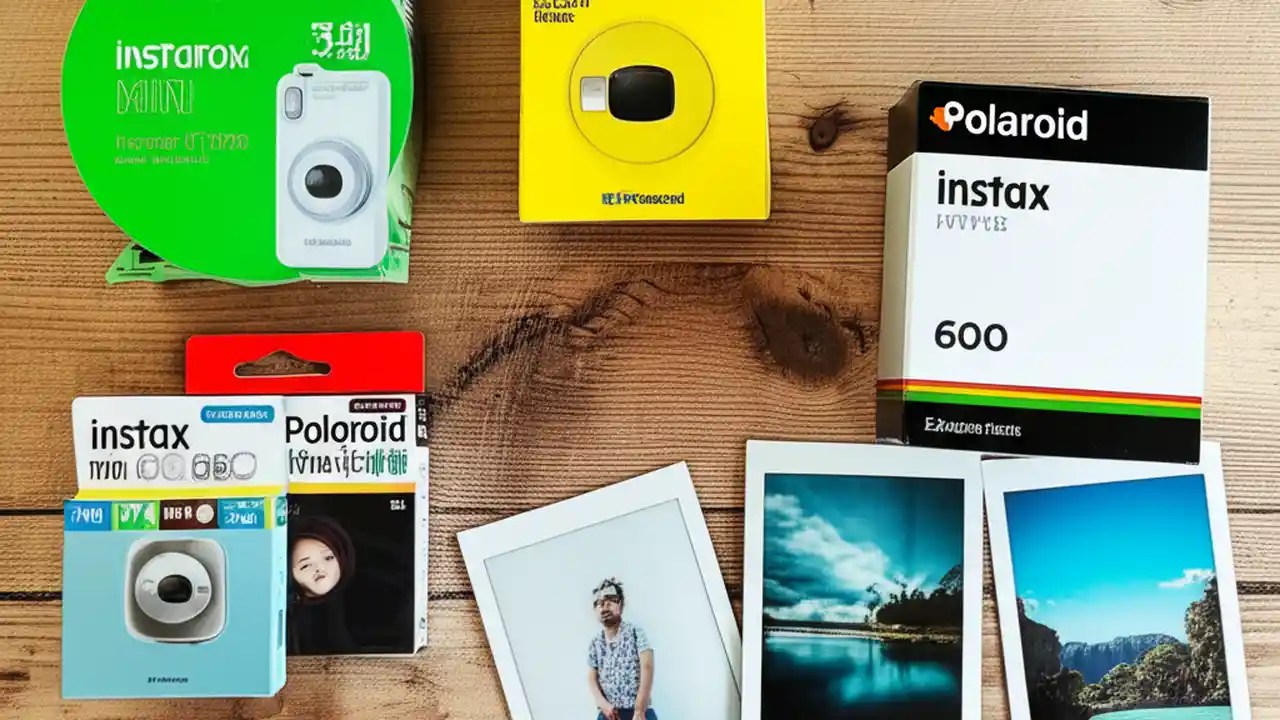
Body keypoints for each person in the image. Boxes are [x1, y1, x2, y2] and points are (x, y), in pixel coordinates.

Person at [587, 578, 656, 720]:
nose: (604, 605)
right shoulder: (595, 643)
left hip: (637, 710)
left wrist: (640, 708)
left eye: (610, 600)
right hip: (611, 713)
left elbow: (647, 666)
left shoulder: (635, 633)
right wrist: (603, 705)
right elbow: (592, 679)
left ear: (621, 604)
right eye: (599, 603)